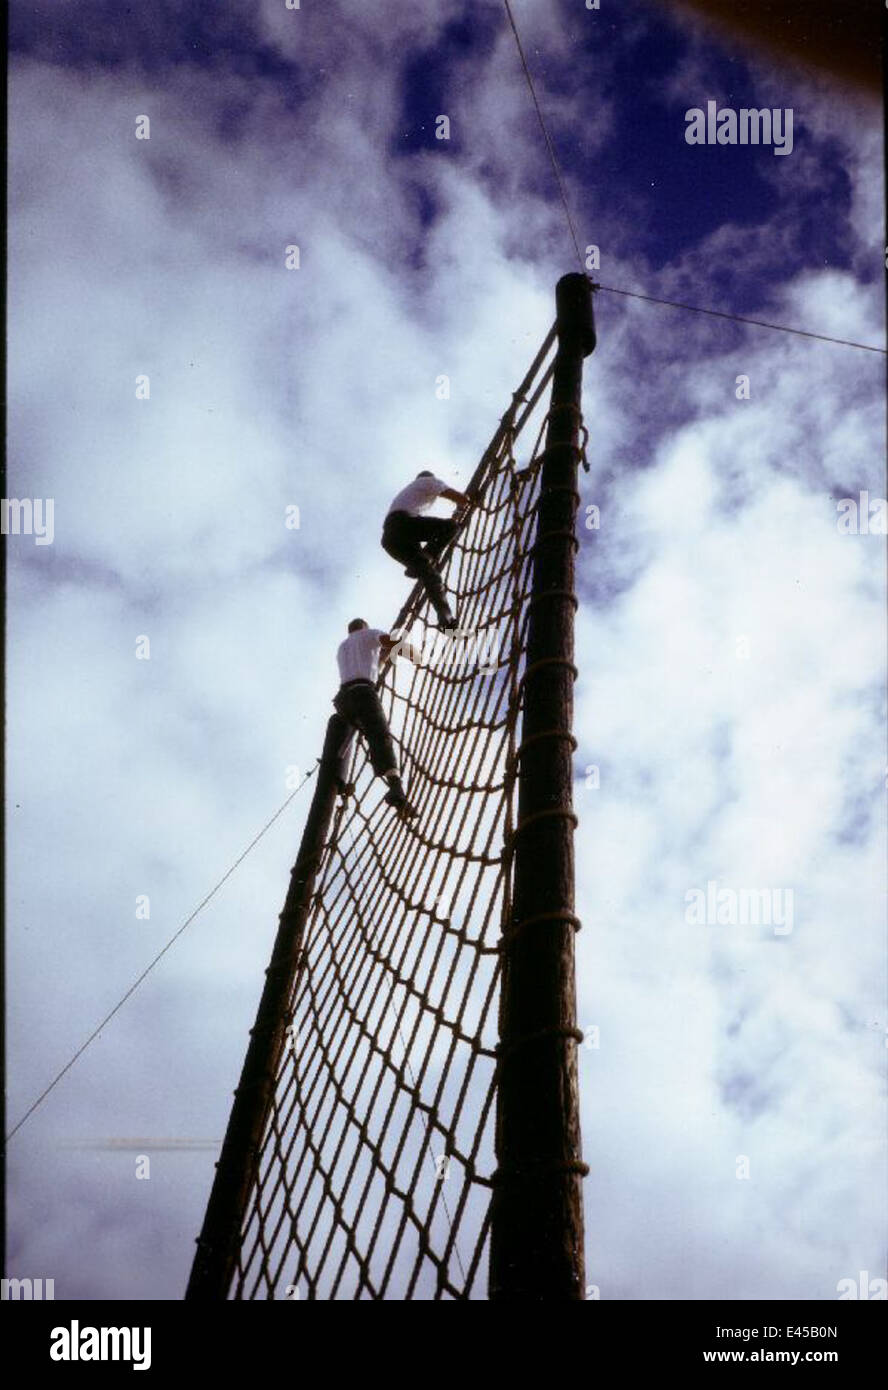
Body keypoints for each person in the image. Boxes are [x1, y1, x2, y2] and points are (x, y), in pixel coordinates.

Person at [329, 618, 417, 819]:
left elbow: (374, 662)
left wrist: (386, 655)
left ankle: (337, 773)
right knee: (379, 735)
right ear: (364, 627)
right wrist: (413, 654)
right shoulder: (368, 634)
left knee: (363, 733)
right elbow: (389, 643)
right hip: (363, 693)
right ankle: (396, 789)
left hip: (343, 701)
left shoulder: (343, 647)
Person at [381, 470, 469, 630]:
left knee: (430, 575)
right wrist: (463, 504)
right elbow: (462, 499)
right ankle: (427, 556)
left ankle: (446, 620)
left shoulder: (408, 494)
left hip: (390, 539)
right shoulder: (429, 481)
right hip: (403, 525)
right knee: (451, 527)